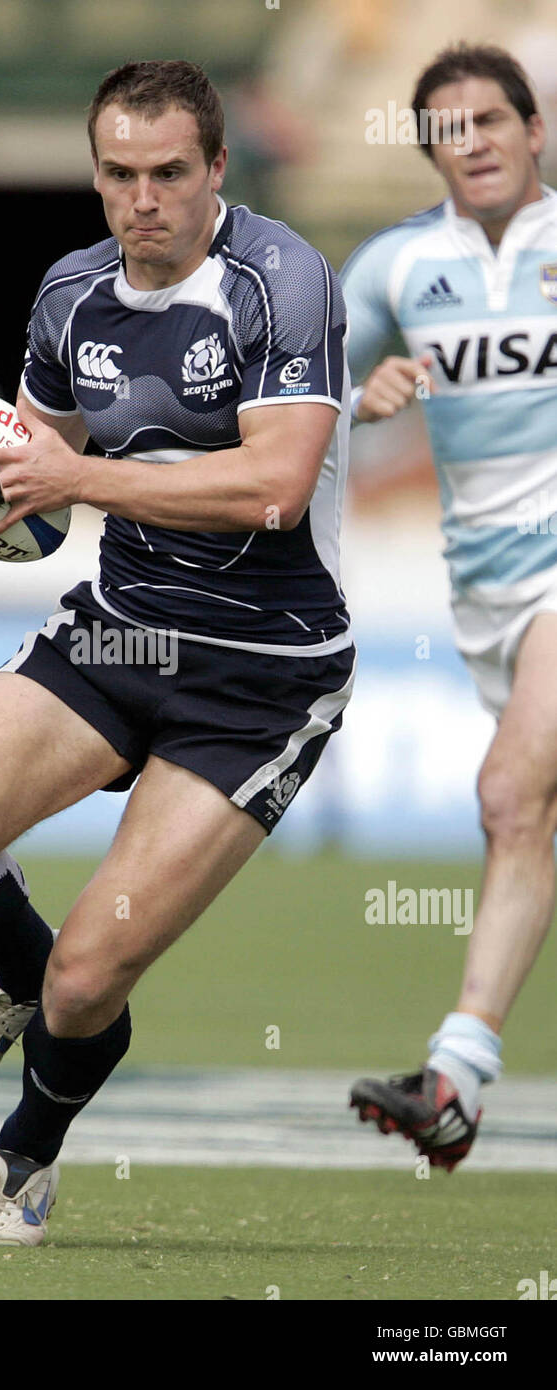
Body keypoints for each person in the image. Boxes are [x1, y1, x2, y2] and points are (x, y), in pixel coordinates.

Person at [0, 59, 354, 1246]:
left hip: (265, 669)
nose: (142, 198)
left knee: (99, 981)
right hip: (117, 630)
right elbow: (33, 452)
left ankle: (23, 1165)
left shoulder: (281, 281)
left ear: (216, 169)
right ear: (94, 173)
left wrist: (74, 480)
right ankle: (18, 968)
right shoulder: (67, 292)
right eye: (117, 173)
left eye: (168, 172)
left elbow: (275, 489)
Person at [345, 44, 557, 1169]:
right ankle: (460, 1095)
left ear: (533, 130)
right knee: (527, 820)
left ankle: (451, 1070)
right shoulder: (393, 270)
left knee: (507, 792)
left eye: (489, 119)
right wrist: (358, 399)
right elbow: (289, 396)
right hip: (482, 589)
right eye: (445, 126)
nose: (469, 139)